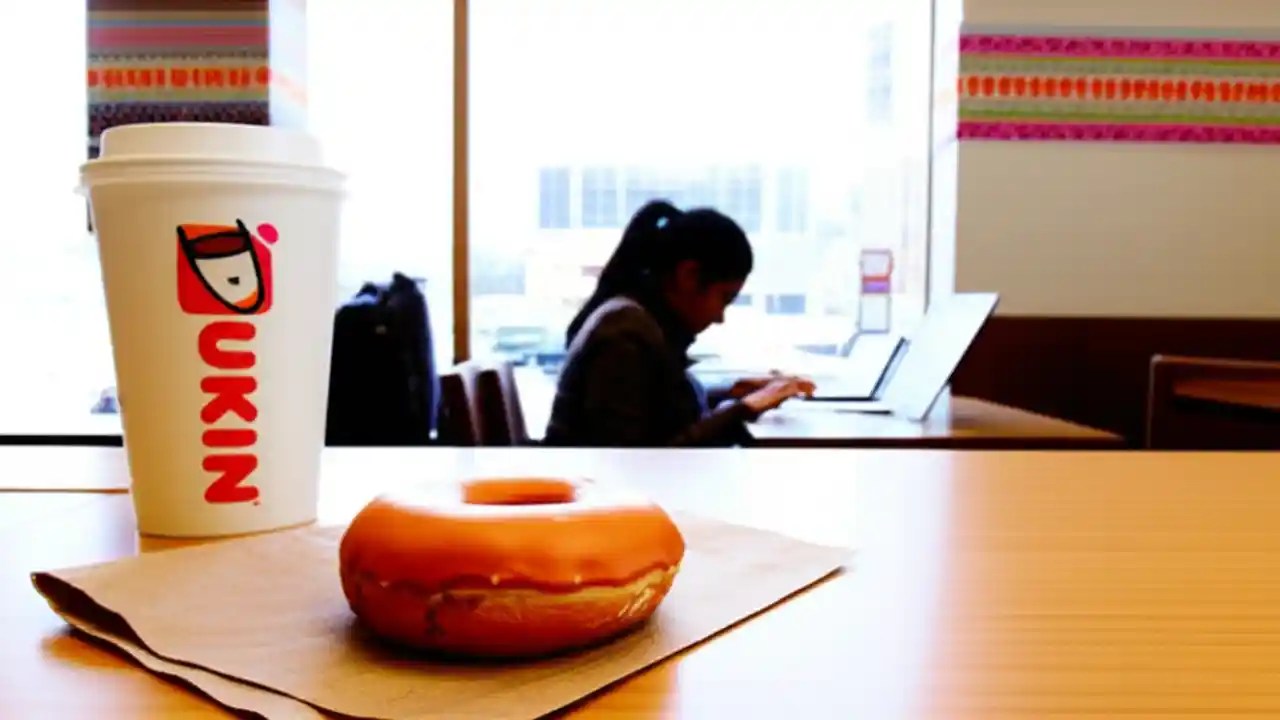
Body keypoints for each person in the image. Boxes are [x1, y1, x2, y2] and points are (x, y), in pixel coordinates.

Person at [543, 200, 815, 447]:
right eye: (724, 298)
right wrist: (746, 407)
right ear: (689, 276)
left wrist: (734, 391)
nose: (720, 317)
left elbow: (658, 406)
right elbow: (643, 457)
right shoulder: (625, 331)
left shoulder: (642, 319)